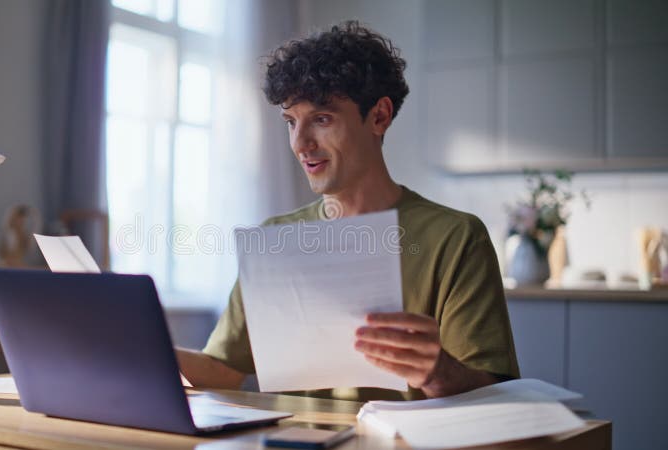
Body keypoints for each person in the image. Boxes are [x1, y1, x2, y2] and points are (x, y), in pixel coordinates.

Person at [176, 21, 519, 401]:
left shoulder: (455, 238)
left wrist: (438, 372)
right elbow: (221, 370)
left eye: (321, 119)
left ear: (379, 117)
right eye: (291, 122)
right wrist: (127, 347)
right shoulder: (276, 239)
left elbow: (494, 395)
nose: (301, 144)